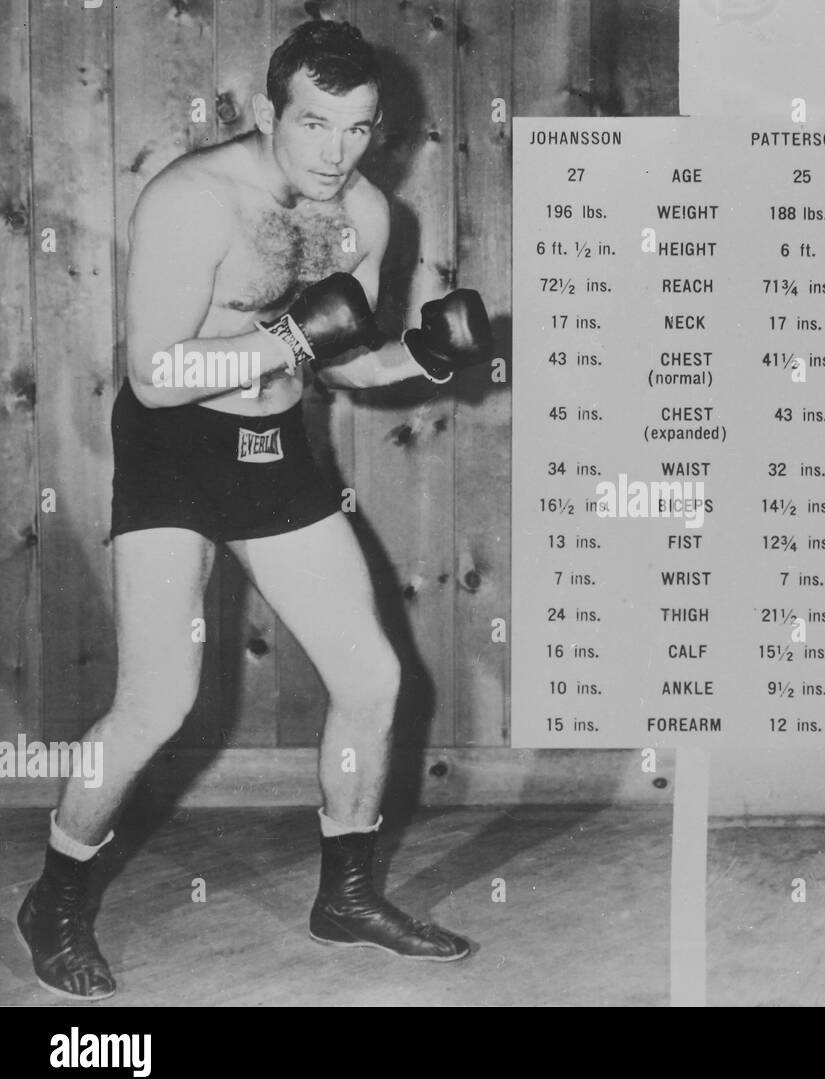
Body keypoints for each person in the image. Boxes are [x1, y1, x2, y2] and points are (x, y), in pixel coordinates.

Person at [18, 20, 493, 1001]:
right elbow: (154, 375)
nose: (334, 151)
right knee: (160, 698)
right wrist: (287, 341)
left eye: (358, 128)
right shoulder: (193, 199)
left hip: (276, 454)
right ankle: (55, 897)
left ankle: (347, 893)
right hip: (176, 453)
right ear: (271, 111)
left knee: (373, 677)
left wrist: (428, 356)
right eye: (313, 123)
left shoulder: (367, 216)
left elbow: (349, 358)